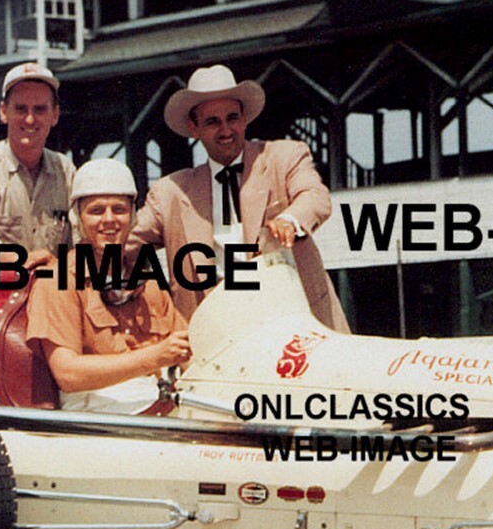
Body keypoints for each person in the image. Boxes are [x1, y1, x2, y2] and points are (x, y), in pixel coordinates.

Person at [129, 64, 349, 332]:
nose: (225, 130)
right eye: (212, 122)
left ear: (245, 119)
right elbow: (123, 241)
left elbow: (314, 196)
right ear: (194, 128)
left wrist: (289, 220)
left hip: (295, 321)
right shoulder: (170, 192)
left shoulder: (285, 156)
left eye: (232, 118)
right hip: (219, 333)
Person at [27, 159, 190, 414]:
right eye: (96, 211)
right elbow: (67, 374)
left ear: (133, 217)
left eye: (119, 209)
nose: (109, 219)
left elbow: (188, 351)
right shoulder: (58, 280)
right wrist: (153, 358)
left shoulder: (147, 282)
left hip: (159, 400)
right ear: (77, 218)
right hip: (95, 412)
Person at [0, 62, 75, 271]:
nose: (30, 119)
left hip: (49, 285)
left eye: (39, 109)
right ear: (3, 112)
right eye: (20, 109)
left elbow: (81, 241)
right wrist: (35, 260)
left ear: (55, 115)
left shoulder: (67, 171)